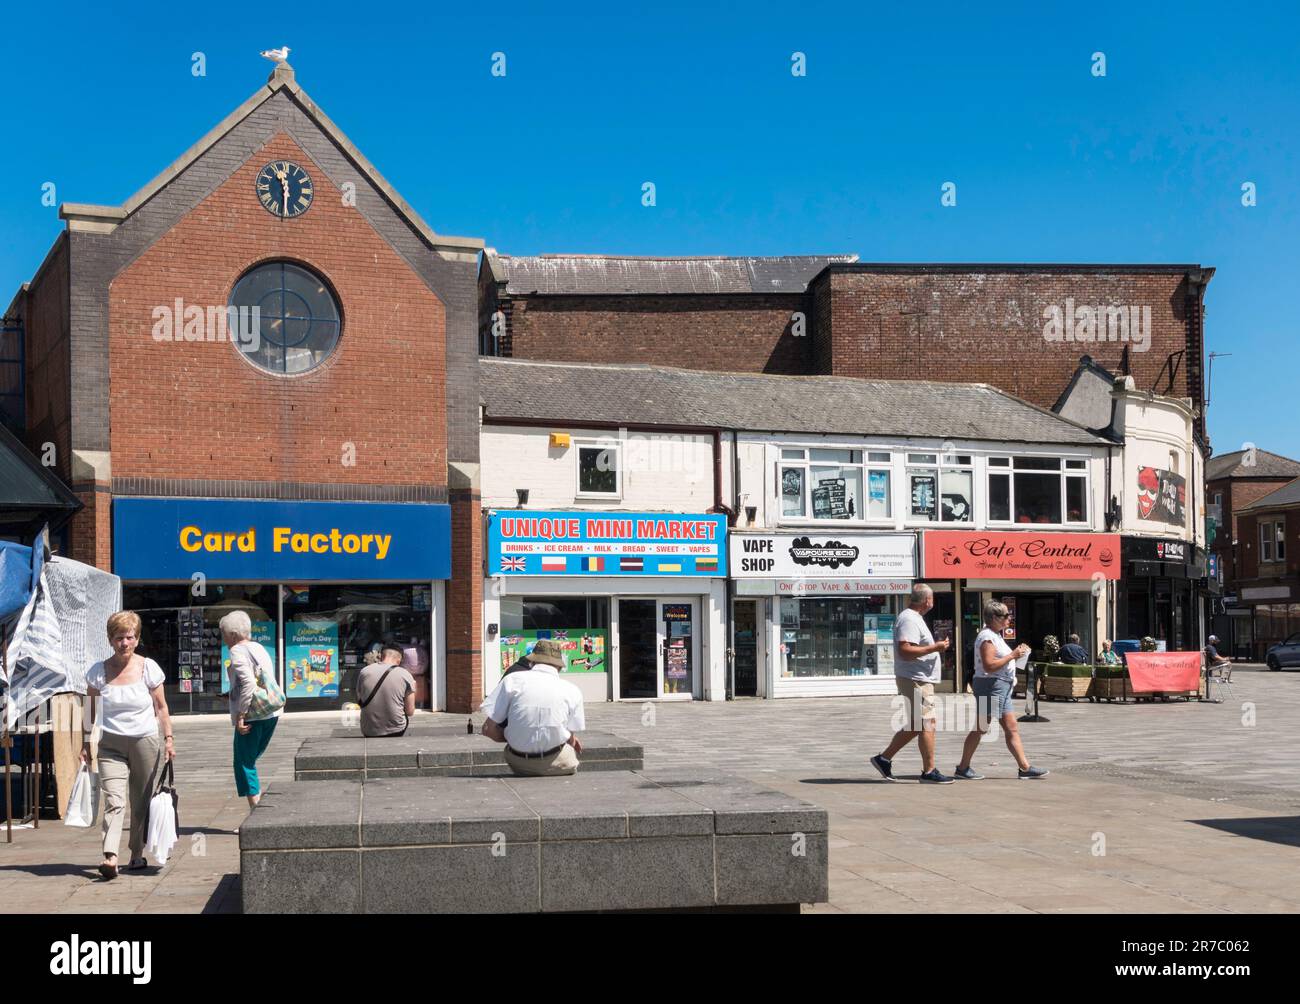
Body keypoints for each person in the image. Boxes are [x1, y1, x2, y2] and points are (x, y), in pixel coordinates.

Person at [82, 611, 174, 880]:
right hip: (110, 744)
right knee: (114, 799)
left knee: (140, 800)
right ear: (110, 640)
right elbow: (88, 712)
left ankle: (136, 853)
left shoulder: (148, 668)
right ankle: (110, 856)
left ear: (137, 639)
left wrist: (168, 739)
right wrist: (86, 743)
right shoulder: (97, 672)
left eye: (129, 637)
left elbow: (162, 707)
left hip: (145, 741)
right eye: (119, 637)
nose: (124, 643)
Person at [955, 600, 1049, 780]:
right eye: (1005, 615)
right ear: (993, 618)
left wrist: (1017, 654)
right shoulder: (987, 638)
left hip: (1000, 686)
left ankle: (1024, 767)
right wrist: (1013, 655)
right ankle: (963, 767)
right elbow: (989, 665)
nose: (1009, 618)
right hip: (990, 685)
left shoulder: (995, 635)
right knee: (982, 727)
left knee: (1010, 727)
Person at [870, 584, 954, 784]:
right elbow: (905, 650)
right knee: (927, 723)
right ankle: (929, 771)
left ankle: (883, 759)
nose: (933, 602)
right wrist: (936, 647)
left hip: (918, 678)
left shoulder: (914, 618)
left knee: (918, 724)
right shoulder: (909, 619)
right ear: (927, 600)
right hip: (915, 678)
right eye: (932, 598)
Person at [479, 639, 585, 777]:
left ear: (532, 661)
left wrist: (519, 736)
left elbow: (488, 729)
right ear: (559, 667)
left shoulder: (512, 680)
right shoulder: (572, 690)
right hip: (558, 763)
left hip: (518, 762)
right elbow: (570, 737)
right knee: (569, 750)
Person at [222, 610, 282, 809]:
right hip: (271, 711)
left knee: (244, 763)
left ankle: (256, 813)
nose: (223, 638)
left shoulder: (237, 651)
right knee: (250, 759)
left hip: (252, 715)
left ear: (232, 634)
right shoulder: (259, 647)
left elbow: (248, 684)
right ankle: (257, 809)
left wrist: (241, 715)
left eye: (223, 633)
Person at [356, 645, 416, 738]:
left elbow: (359, 700)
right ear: (399, 659)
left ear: (381, 656)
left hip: (368, 730)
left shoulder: (364, 671)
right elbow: (410, 712)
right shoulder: (405, 674)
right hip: (396, 730)